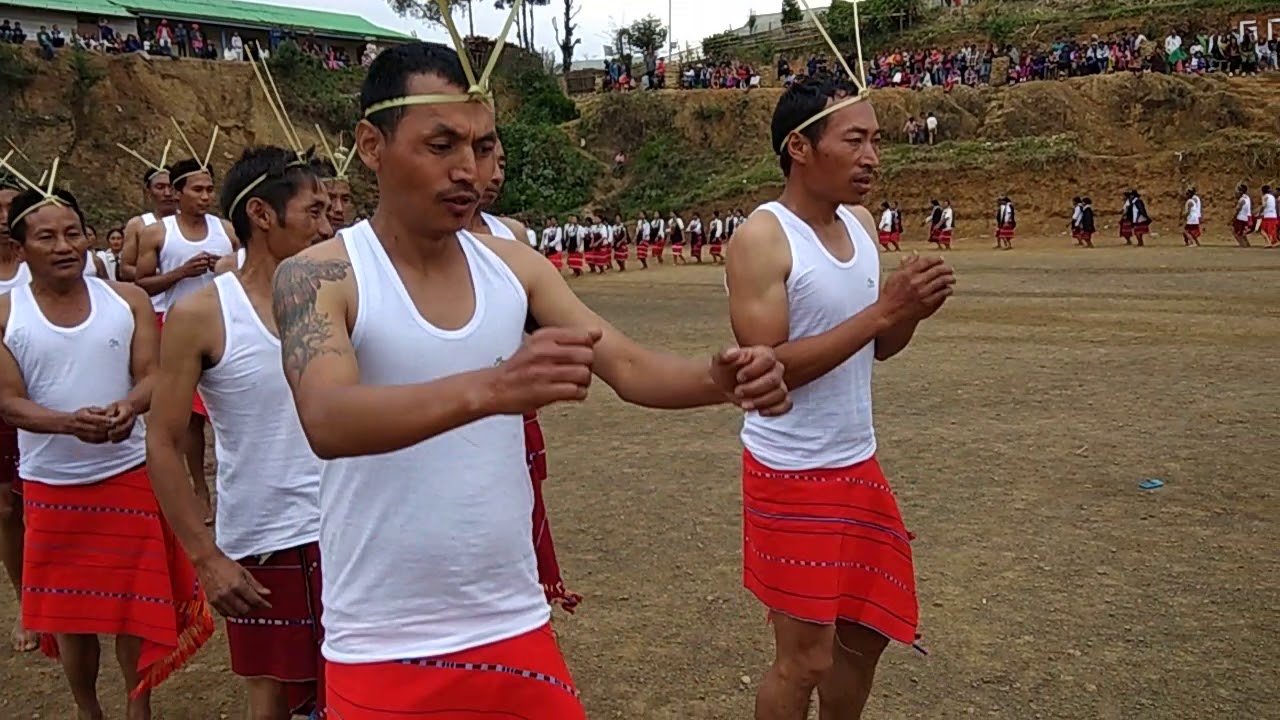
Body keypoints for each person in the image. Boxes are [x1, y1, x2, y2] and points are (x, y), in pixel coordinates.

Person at [272, 40, 791, 718]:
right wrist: (493, 389)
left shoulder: (514, 267)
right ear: (372, 145)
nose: (469, 169)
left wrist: (718, 378)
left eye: (483, 146)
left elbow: (628, 367)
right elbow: (328, 418)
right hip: (382, 637)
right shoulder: (320, 276)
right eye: (441, 145)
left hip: (512, 620)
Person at [725, 74, 955, 720]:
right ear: (799, 148)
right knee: (804, 661)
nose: (872, 158)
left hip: (858, 462)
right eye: (855, 141)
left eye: (875, 141)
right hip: (790, 471)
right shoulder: (762, 239)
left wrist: (909, 313)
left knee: (865, 635)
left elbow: (878, 348)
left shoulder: (860, 224)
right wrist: (884, 311)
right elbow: (767, 370)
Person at [0, 182, 212, 719]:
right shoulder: (6, 313)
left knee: (134, 610)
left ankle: (138, 708)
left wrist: (128, 406)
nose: (64, 246)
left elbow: (152, 374)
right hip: (52, 485)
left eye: (73, 233)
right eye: (46, 237)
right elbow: (8, 402)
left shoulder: (128, 299)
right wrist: (66, 423)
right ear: (20, 247)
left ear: (89, 238)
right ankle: (88, 709)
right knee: (71, 620)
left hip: (128, 475)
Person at [148, 146, 333, 720]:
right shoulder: (204, 315)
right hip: (268, 538)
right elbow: (162, 440)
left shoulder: (342, 296)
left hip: (354, 527)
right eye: (313, 212)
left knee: (362, 687)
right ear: (261, 214)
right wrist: (206, 557)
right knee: (273, 694)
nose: (328, 227)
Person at [136, 152, 240, 522]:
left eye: (210, 189)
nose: (205, 196)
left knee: (229, 408)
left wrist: (224, 267)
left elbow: (249, 269)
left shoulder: (227, 231)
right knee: (191, 418)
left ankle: (233, 481)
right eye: (197, 189)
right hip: (178, 330)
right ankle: (199, 487)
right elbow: (141, 283)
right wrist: (180, 273)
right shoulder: (158, 233)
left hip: (227, 326)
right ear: (177, 193)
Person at [0, 164, 36, 653]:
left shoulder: (43, 261)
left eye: (11, 208)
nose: (4, 216)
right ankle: (24, 600)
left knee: (39, 501)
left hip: (44, 394)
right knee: (6, 507)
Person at [116, 141, 178, 285]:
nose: (167, 193)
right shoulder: (137, 224)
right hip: (154, 296)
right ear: (148, 190)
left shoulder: (191, 221)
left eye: (171, 187)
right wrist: (165, 274)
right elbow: (125, 269)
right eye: (160, 187)